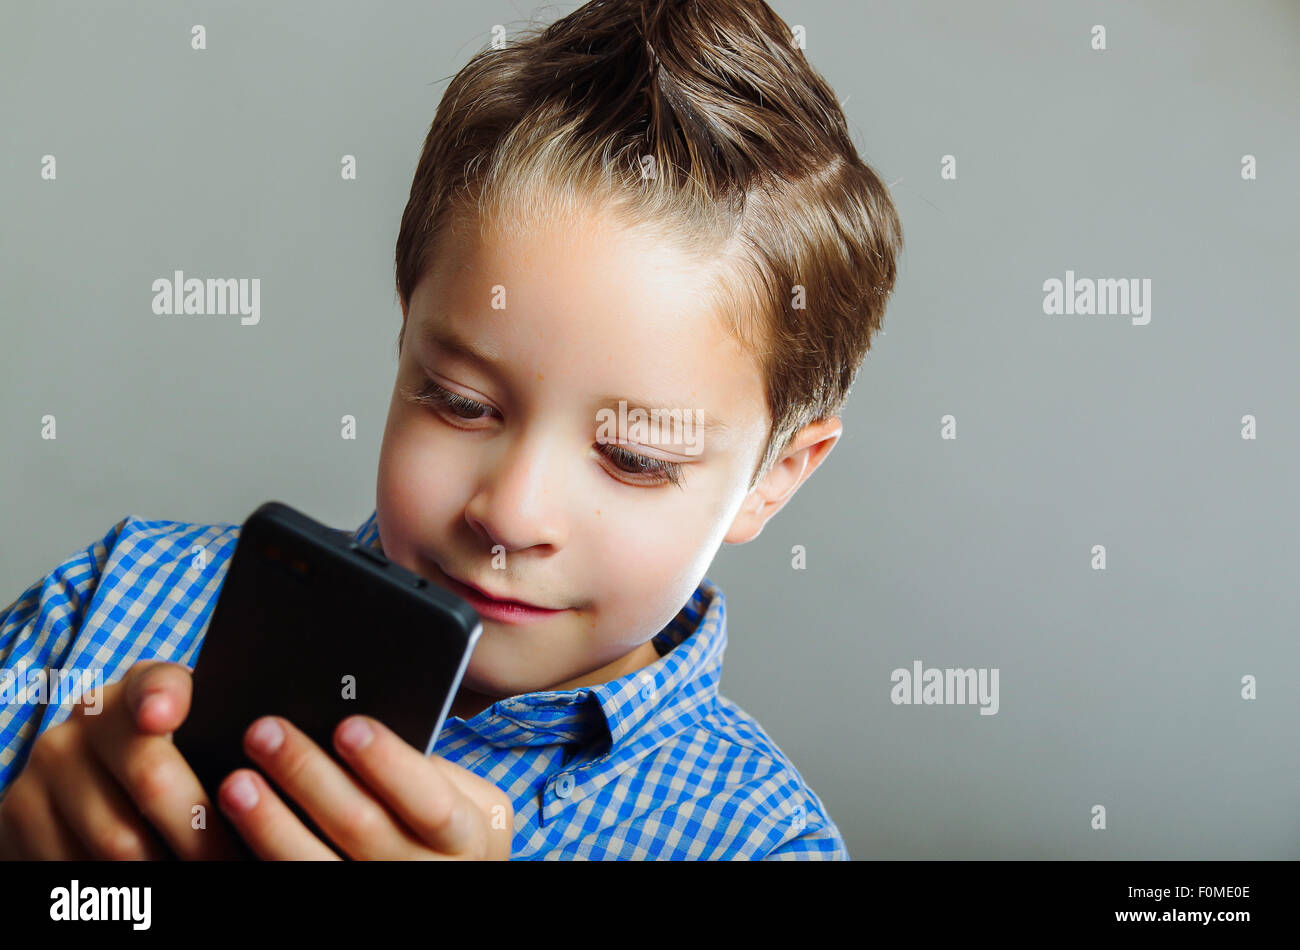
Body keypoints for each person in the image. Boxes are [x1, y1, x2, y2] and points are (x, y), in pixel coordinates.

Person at [0, 0, 902, 859]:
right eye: (461, 402)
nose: (509, 514)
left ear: (775, 475)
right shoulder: (114, 604)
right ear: (407, 334)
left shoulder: (757, 843)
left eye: (634, 457)